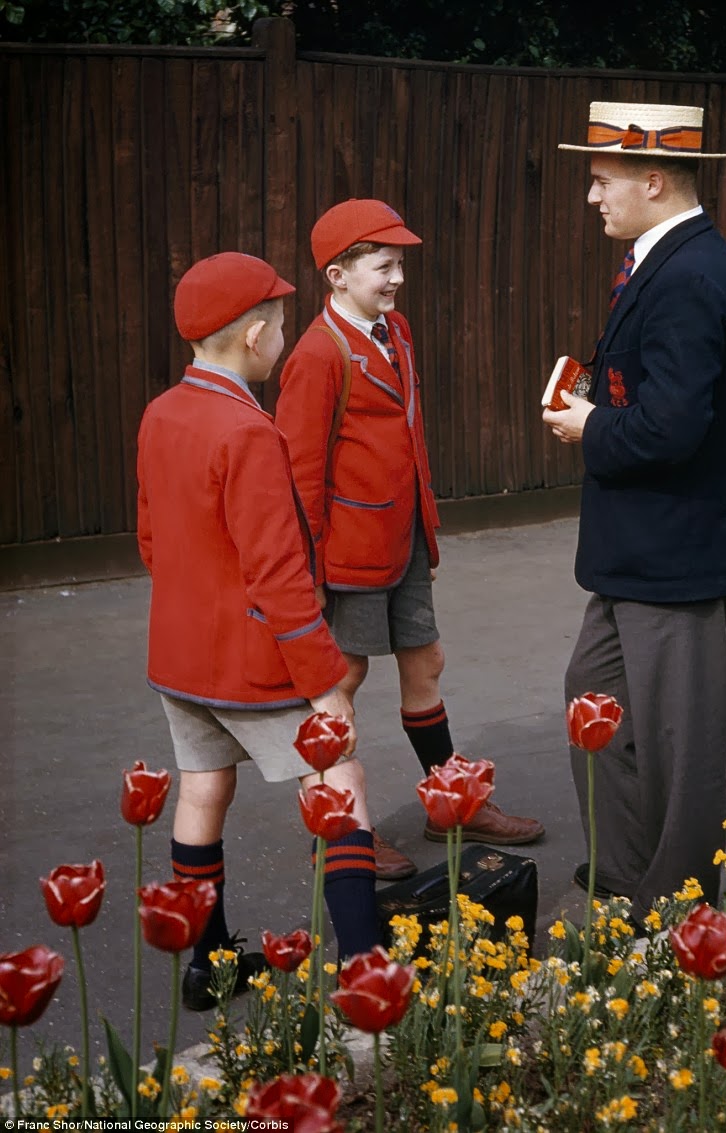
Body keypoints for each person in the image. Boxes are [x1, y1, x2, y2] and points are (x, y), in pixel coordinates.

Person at [136, 252, 382, 1011]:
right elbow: (279, 575)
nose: (283, 334)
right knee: (341, 782)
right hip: (253, 659)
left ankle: (207, 965)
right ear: (253, 336)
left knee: (204, 789)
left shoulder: (161, 412)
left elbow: (151, 538)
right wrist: (326, 686)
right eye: (278, 324)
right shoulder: (250, 431)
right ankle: (367, 974)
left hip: (178, 655)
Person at [546, 102, 726, 928]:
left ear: (652, 179)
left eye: (602, 181)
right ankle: (627, 869)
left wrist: (590, 425)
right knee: (593, 693)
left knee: (678, 738)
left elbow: (674, 426)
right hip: (644, 548)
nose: (593, 198)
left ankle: (677, 908)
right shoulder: (670, 261)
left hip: (676, 549)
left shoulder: (686, 275)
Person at [275, 199, 544, 880]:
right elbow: (300, 475)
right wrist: (307, 572)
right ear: (337, 275)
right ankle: (334, 828)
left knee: (425, 661)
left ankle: (449, 803)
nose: (396, 278)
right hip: (350, 549)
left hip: (405, 535)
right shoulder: (316, 353)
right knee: (344, 679)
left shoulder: (395, 330)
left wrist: (425, 523)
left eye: (399, 265)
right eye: (382, 266)